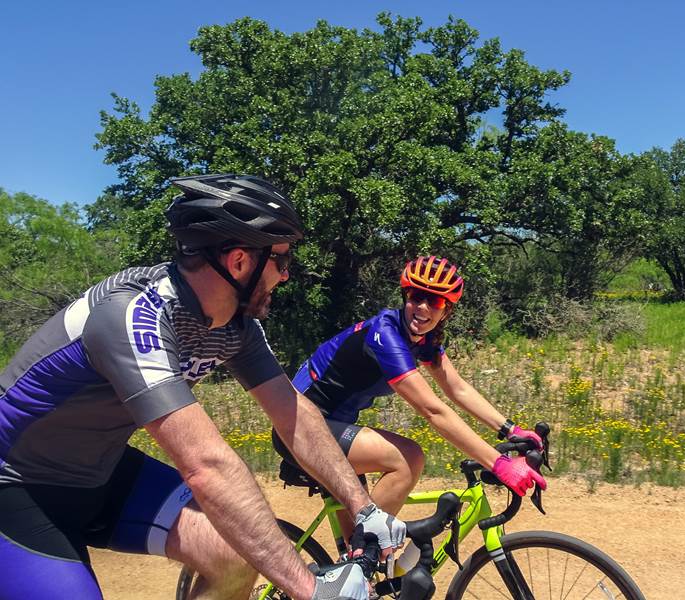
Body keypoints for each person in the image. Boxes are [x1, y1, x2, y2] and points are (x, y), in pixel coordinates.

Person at [0, 174, 404, 600]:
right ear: (240, 262)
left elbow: (295, 414)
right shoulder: (132, 315)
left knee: (236, 555)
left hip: (102, 471)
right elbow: (206, 465)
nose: (286, 276)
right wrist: (310, 590)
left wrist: (364, 508)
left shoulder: (236, 325)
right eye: (282, 261)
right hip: (16, 487)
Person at [274, 255, 546, 568]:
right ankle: (363, 558)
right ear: (406, 296)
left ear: (447, 310)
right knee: (407, 459)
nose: (423, 308)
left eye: (435, 301)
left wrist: (511, 430)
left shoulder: (422, 339)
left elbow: (457, 389)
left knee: (357, 558)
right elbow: (433, 411)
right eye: (417, 297)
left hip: (329, 427)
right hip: (300, 430)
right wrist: (498, 463)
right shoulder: (385, 335)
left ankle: (353, 570)